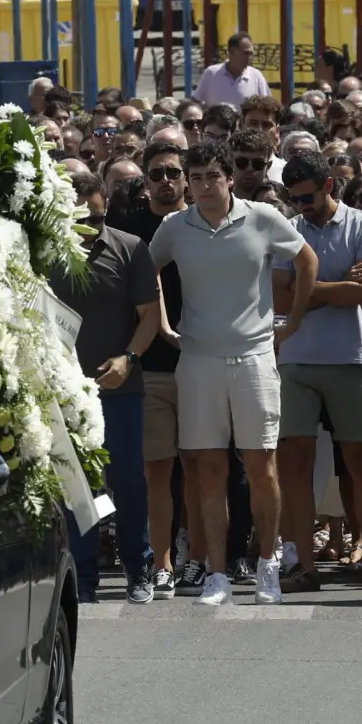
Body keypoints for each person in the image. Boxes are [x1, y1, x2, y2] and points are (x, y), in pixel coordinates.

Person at [150, 141, 316, 606]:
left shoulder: (263, 217)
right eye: (195, 177)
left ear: (228, 178)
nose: (203, 185)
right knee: (207, 469)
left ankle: (267, 566)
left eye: (211, 177)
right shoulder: (173, 227)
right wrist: (163, 325)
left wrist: (295, 321)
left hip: (255, 358)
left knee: (261, 465)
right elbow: (148, 273)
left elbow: (306, 261)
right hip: (198, 361)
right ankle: (216, 574)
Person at [276, 153, 362, 593]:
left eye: (306, 196)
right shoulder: (289, 228)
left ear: (328, 185)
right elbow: (278, 298)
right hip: (296, 360)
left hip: (350, 358)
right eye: (293, 198)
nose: (300, 205)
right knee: (295, 463)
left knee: (360, 461)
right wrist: (335, 288)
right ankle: (304, 568)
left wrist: (304, 289)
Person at [54, 173, 162, 605]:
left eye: (98, 218)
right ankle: (83, 575)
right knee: (76, 484)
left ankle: (139, 567)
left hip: (118, 388)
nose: (91, 226)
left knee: (128, 481)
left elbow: (150, 316)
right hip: (63, 391)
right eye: (82, 219)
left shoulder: (130, 248)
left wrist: (128, 359)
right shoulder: (43, 251)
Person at [112, 144, 202, 597]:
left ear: (186, 177)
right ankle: (162, 563)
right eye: (156, 174)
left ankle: (200, 559)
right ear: (144, 181)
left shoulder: (203, 224)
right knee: (158, 472)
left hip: (204, 364)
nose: (165, 180)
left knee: (203, 468)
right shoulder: (127, 233)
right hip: (152, 370)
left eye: (173, 172)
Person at [193, 32, 271, 108]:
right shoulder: (211, 74)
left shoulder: (256, 76)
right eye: (246, 53)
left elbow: (268, 105)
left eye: (251, 54)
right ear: (232, 52)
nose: (249, 57)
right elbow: (195, 102)